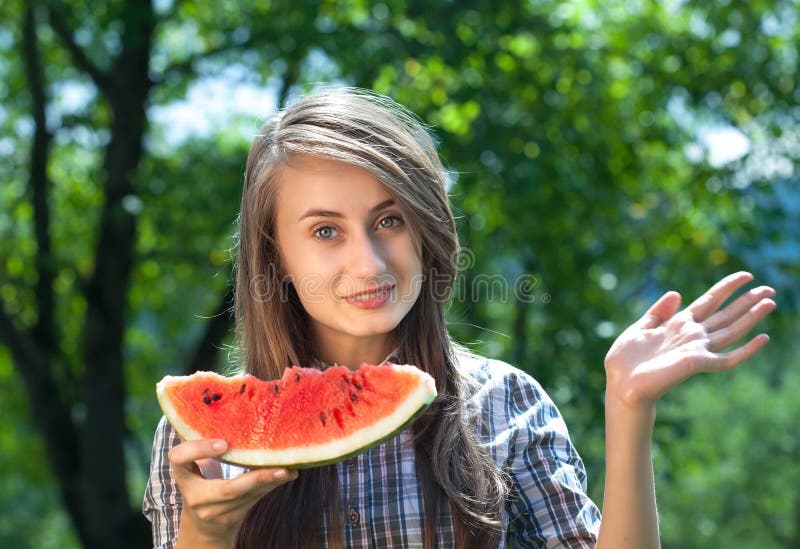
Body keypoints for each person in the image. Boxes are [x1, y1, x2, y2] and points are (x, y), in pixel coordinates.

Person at [143, 87, 776, 548]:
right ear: (275, 252)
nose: (368, 263)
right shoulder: (199, 447)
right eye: (326, 231)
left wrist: (628, 406)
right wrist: (206, 531)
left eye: (389, 220)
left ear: (424, 229)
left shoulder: (508, 404)